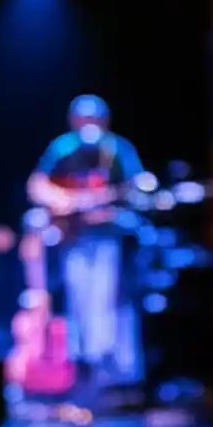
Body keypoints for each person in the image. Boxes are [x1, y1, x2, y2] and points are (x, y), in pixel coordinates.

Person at [27, 94, 144, 381]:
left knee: (104, 298)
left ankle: (105, 364)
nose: (88, 125)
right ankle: (80, 361)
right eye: (83, 120)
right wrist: (66, 200)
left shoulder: (116, 148)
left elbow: (136, 186)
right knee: (78, 297)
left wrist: (105, 200)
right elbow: (37, 185)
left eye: (94, 120)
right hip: (74, 236)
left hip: (107, 236)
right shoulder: (63, 147)